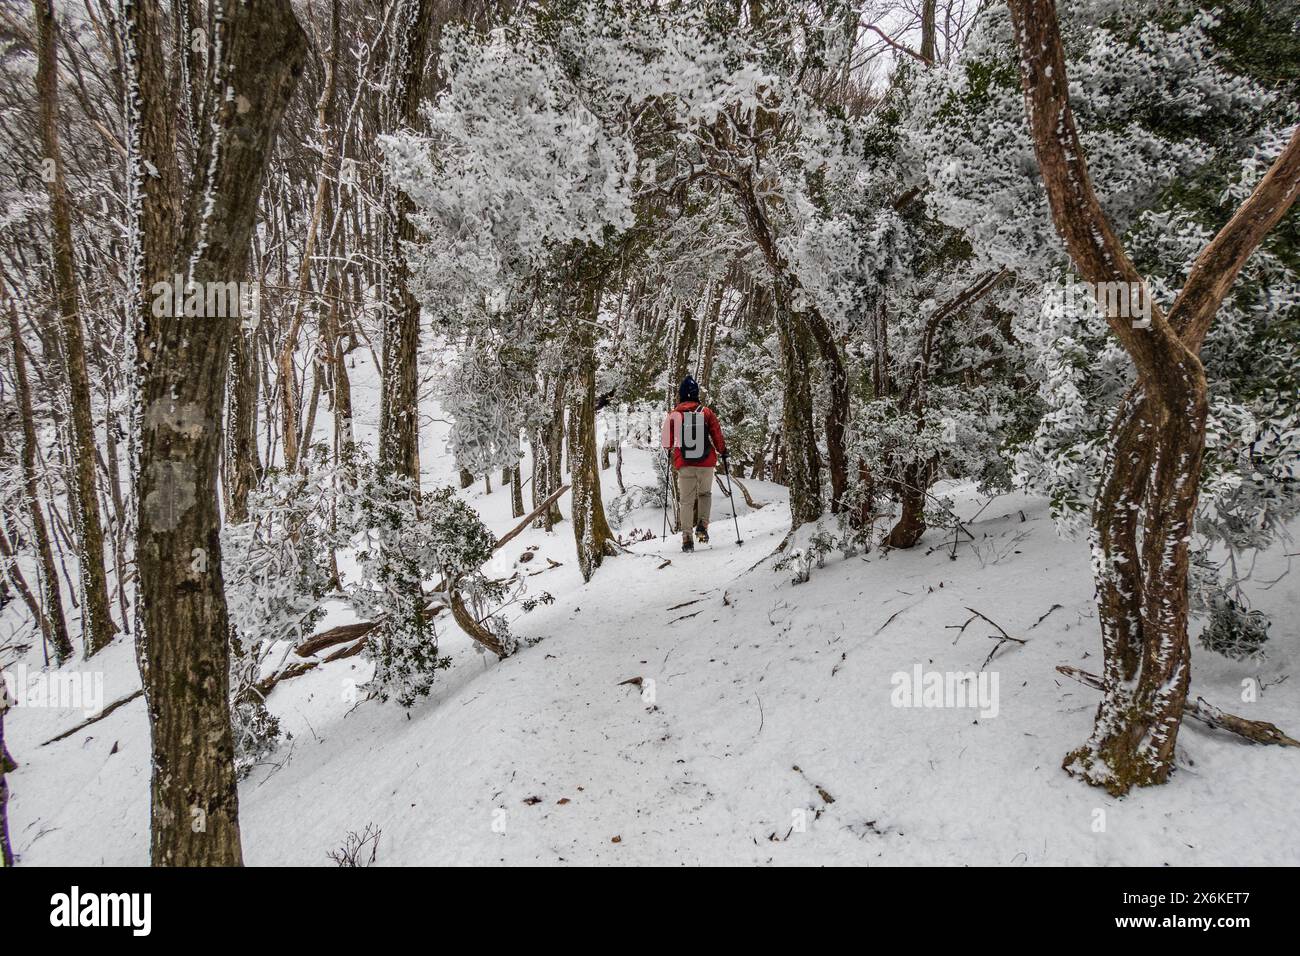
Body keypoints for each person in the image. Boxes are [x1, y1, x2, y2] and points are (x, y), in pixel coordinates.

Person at [661, 375, 727, 552]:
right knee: (705, 494)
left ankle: (687, 538)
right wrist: (723, 451)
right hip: (706, 463)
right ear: (696, 393)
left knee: (686, 501)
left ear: (681, 395)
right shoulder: (706, 412)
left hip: (685, 463)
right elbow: (717, 435)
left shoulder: (674, 414)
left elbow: (666, 443)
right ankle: (703, 526)